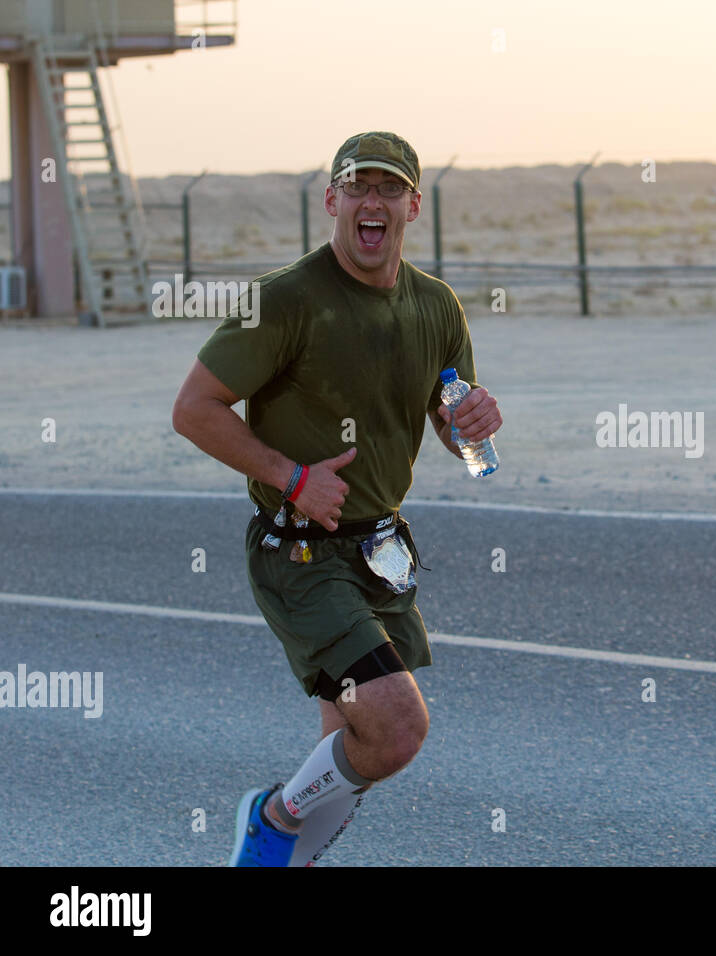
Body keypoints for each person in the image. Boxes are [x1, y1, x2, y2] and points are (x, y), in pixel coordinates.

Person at [171, 131, 503, 866]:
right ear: (332, 200)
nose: (372, 201)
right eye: (358, 186)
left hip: (379, 553)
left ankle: (287, 853)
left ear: (413, 204)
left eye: (389, 188)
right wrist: (292, 476)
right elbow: (194, 408)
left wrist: (469, 426)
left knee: (349, 755)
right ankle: (272, 818)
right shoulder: (284, 300)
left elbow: (453, 423)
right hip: (299, 553)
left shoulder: (437, 306)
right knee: (396, 729)